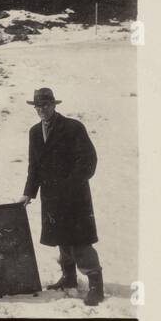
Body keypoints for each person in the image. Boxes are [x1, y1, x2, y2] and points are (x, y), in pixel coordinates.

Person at [17, 88, 103, 305]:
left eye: (46, 105)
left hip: (74, 196)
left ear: (54, 105)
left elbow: (88, 161)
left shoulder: (73, 128)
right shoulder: (34, 132)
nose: (42, 110)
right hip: (51, 197)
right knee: (61, 238)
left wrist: (70, 185)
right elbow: (34, 166)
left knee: (80, 242)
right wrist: (28, 193)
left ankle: (96, 285)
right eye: (38, 106)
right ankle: (69, 278)